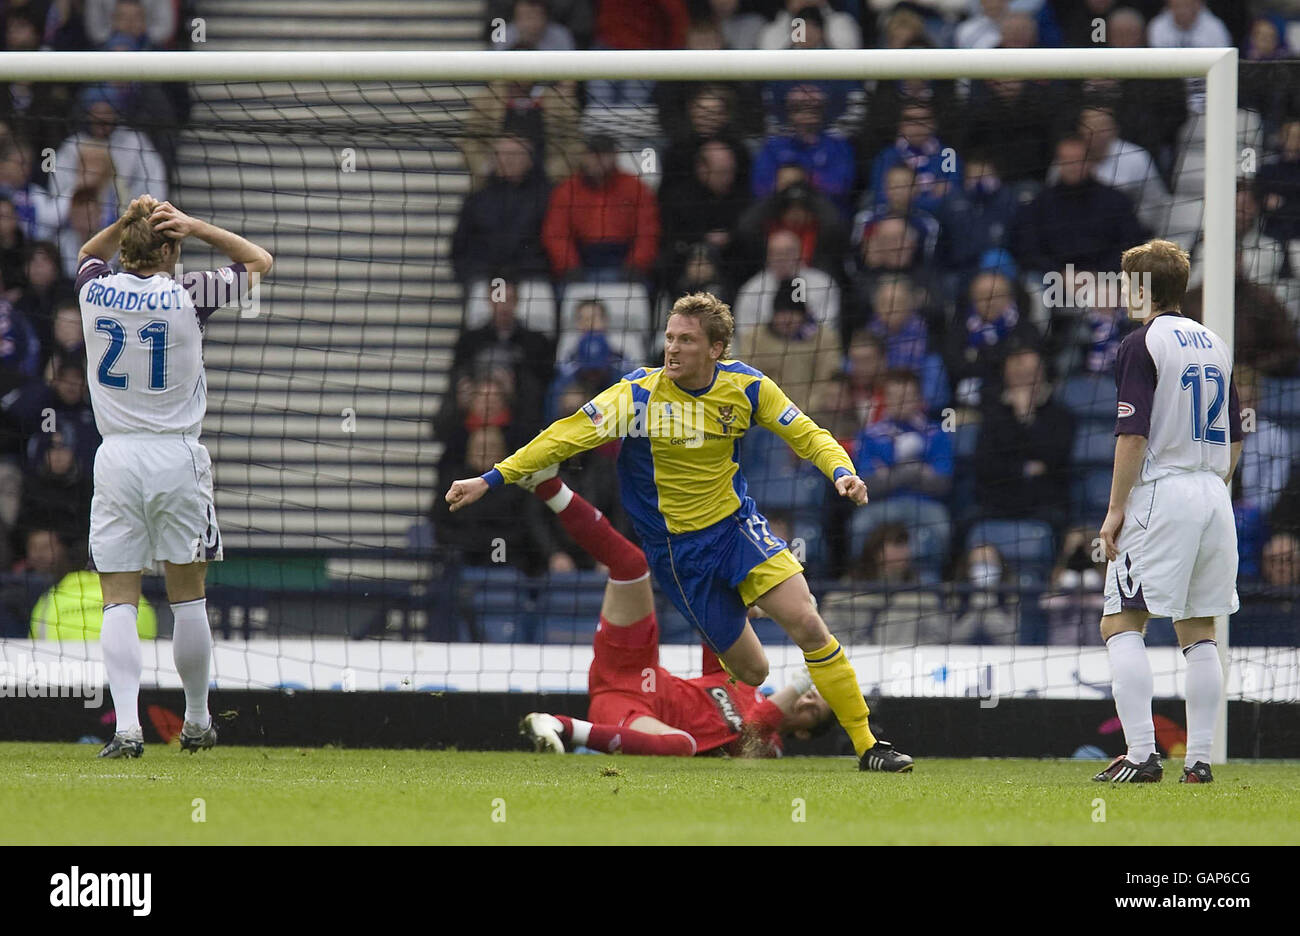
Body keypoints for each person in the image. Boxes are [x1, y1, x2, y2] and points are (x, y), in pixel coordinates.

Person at [446, 292, 914, 772]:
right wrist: (490, 478)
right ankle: (741, 606)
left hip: (736, 529)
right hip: (678, 556)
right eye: (670, 338)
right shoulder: (638, 395)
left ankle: (868, 746)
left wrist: (841, 470)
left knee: (808, 622)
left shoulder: (747, 387)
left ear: (715, 349)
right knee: (755, 670)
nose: (672, 348)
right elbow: (563, 435)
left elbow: (808, 433)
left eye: (686, 340)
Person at [76, 194, 272, 758]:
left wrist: (129, 219)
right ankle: (195, 721)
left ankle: (126, 731)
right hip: (176, 456)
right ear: (167, 249)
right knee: (187, 597)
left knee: (117, 597)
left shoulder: (92, 290)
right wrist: (194, 225)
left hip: (115, 458)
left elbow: (91, 251)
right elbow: (258, 260)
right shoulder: (188, 293)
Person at [518, 476, 832, 757]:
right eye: (811, 695)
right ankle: (548, 485)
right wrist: (758, 608)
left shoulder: (769, 747)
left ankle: (559, 726)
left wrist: (807, 675)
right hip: (634, 668)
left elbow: (755, 727)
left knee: (681, 745)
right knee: (631, 565)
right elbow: (716, 631)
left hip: (633, 712)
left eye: (812, 710)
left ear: (803, 732)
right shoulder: (744, 683)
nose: (804, 700)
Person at [1094, 239, 1242, 784]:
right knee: (1199, 628)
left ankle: (1140, 755)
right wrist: (1209, 487)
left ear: (1141, 288)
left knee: (1120, 620)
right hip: (1212, 493)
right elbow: (1236, 439)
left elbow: (1131, 433)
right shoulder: (1215, 343)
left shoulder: (1141, 343)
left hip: (1163, 491)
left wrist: (1115, 510)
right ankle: (1199, 761)